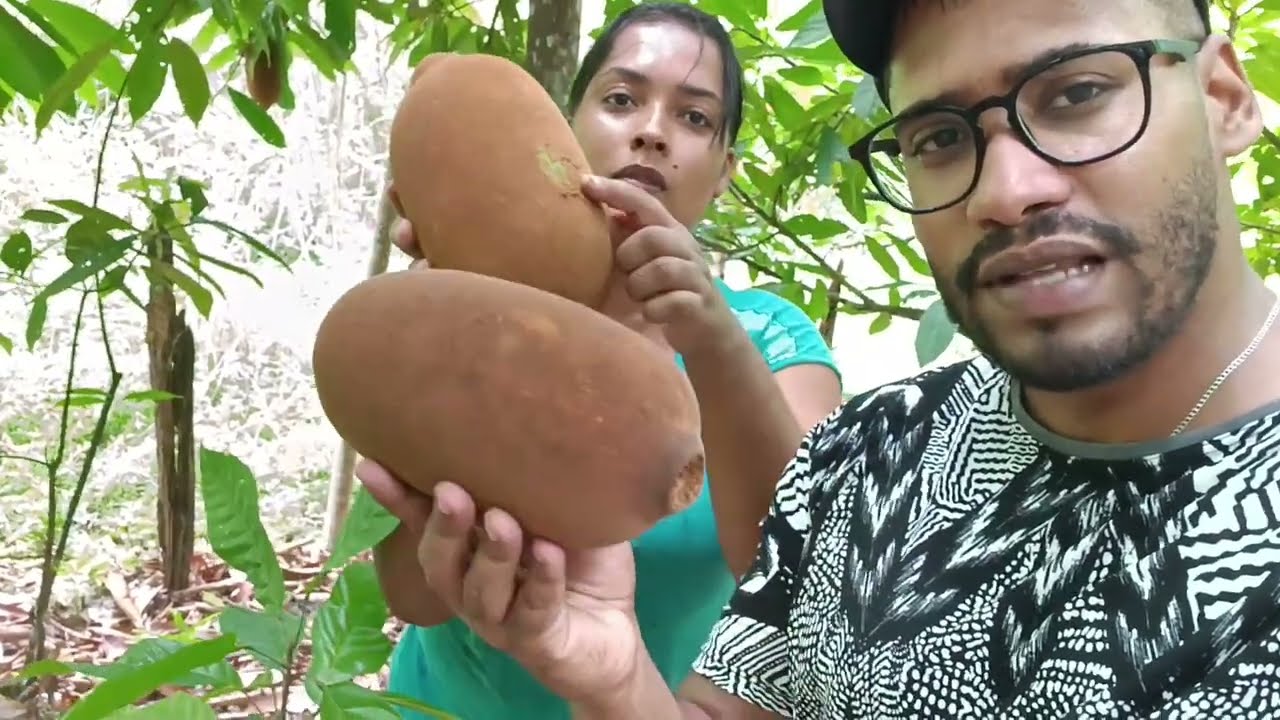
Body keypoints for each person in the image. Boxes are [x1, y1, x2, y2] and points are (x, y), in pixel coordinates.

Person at [376, 0, 1280, 716]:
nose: (1009, 190)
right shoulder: (888, 446)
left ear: (1225, 97)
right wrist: (611, 685)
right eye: (939, 136)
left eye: (1078, 92)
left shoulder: (772, 347)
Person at [354, 4, 845, 718]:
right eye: (621, 99)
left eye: (695, 118)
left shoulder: (772, 342)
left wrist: (708, 335)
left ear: (724, 173)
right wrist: (443, 334)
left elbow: (802, 577)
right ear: (565, 132)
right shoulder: (486, 313)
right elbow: (412, 596)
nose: (651, 129)